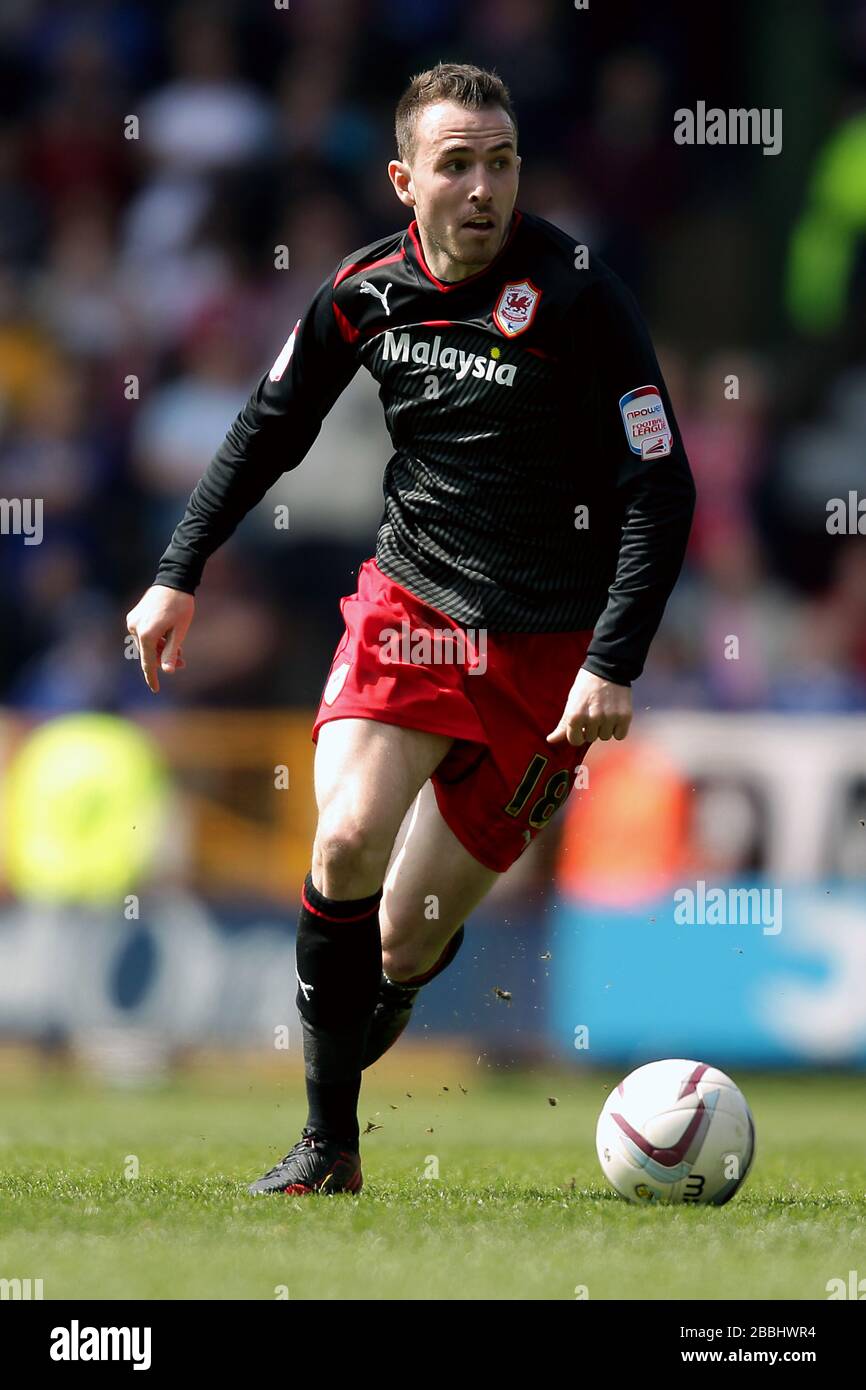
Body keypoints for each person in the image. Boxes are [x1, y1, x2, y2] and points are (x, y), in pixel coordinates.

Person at [126, 63, 696, 1196]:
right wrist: (176, 572)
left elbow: (659, 485)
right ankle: (327, 1149)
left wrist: (610, 660)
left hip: (545, 657)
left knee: (401, 944)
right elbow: (268, 425)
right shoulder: (361, 290)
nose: (483, 188)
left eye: (501, 163)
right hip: (413, 612)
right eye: (456, 165)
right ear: (405, 180)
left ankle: (359, 1009)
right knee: (341, 840)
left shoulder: (579, 294)